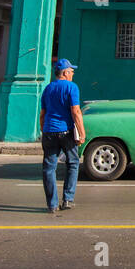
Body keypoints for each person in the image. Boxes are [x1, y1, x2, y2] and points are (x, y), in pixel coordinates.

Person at [40, 58, 85, 213]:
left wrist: (43, 130)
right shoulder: (72, 87)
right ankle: (68, 199)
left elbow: (43, 114)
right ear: (65, 73)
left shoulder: (48, 89)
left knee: (49, 168)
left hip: (49, 132)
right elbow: (76, 111)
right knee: (73, 163)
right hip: (65, 132)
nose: (72, 73)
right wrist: (82, 132)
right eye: (71, 71)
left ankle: (52, 204)